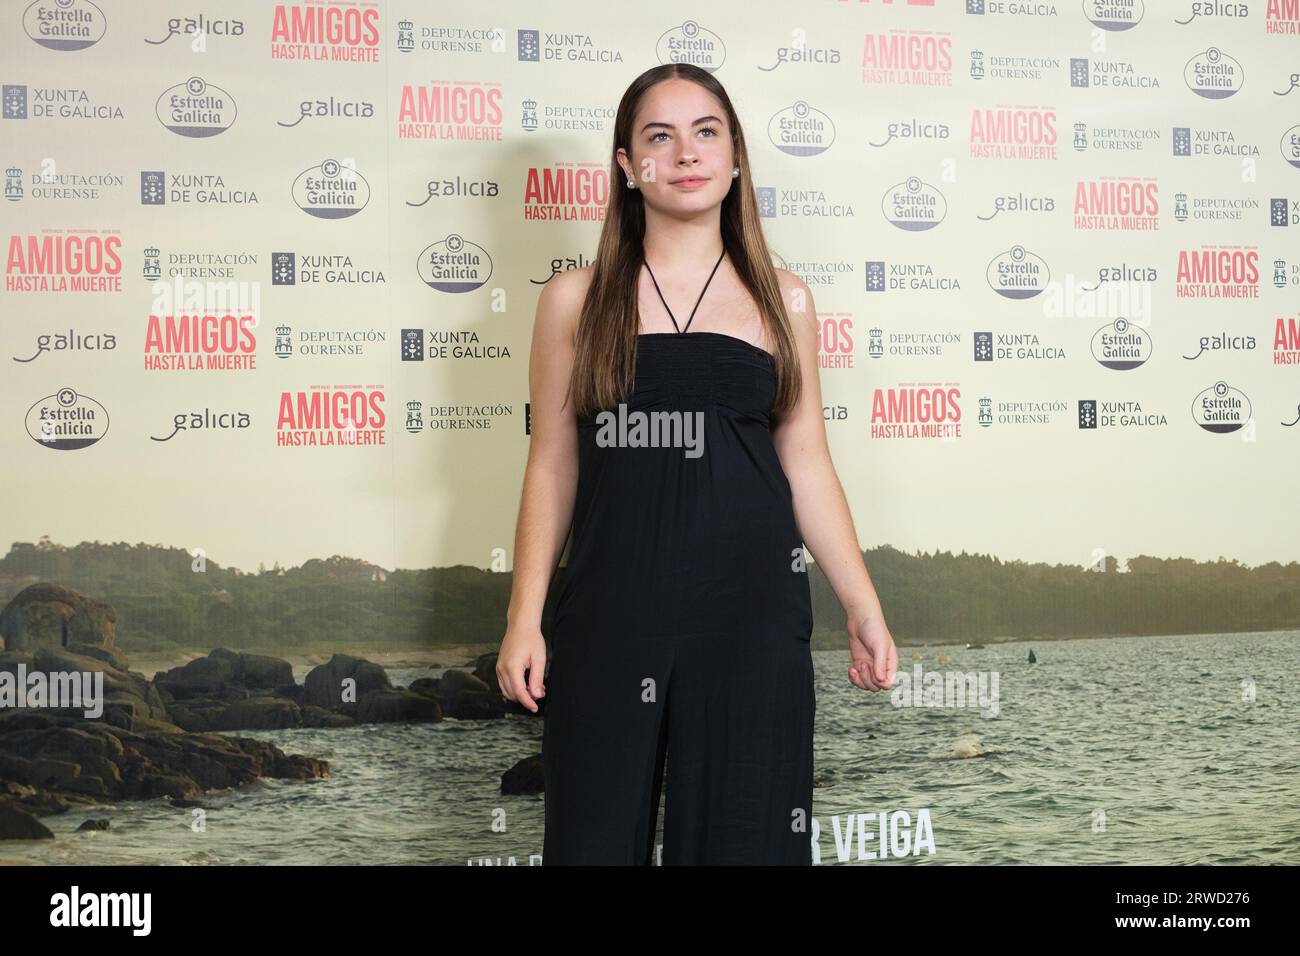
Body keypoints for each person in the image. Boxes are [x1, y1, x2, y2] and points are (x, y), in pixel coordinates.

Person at [497, 63, 897, 865]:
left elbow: (808, 464)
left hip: (751, 617)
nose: (686, 153)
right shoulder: (573, 299)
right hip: (608, 614)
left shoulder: (785, 300)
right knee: (590, 846)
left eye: (706, 132)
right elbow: (552, 466)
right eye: (660, 136)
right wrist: (523, 617)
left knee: (746, 845)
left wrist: (862, 605)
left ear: (736, 156)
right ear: (627, 166)